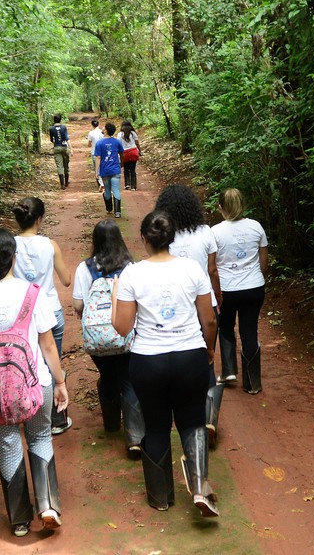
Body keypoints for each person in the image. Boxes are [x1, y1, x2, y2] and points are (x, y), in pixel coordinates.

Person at [0, 228, 70, 537]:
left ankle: (20, 520)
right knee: (39, 438)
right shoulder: (31, 293)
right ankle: (48, 505)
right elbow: (48, 345)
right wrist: (60, 382)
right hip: (36, 383)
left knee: (7, 445)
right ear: (12, 258)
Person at [113, 211, 219, 517]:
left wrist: (117, 292)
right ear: (172, 239)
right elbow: (209, 318)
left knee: (156, 426)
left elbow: (122, 327)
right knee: (192, 422)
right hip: (190, 356)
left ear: (144, 240)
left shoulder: (133, 274)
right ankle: (199, 489)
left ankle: (160, 496)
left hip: (148, 361)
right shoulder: (192, 269)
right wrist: (208, 350)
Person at [155, 184, 223, 447]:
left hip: (177, 304)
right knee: (207, 359)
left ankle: (181, 409)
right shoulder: (206, 233)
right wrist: (219, 295)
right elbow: (212, 269)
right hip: (206, 303)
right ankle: (208, 418)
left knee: (180, 352)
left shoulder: (163, 235)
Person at [71, 220, 144, 456]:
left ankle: (112, 424)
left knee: (107, 376)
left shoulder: (85, 268)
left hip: (98, 340)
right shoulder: (130, 267)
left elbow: (78, 303)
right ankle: (134, 437)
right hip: (125, 336)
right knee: (128, 379)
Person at [12, 197, 74, 432]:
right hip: (50, 310)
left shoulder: (10, 245)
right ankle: (56, 419)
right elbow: (67, 281)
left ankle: (29, 412)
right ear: (39, 219)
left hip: (22, 314)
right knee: (51, 362)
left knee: (26, 362)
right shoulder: (50, 245)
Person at [212, 189, 270, 394]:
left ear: (221, 207)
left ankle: (229, 371)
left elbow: (213, 267)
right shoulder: (256, 227)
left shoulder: (216, 232)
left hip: (228, 290)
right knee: (249, 330)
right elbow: (264, 261)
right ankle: (253, 383)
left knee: (226, 326)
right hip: (254, 287)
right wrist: (256, 278)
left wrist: (216, 291)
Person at [93, 123, 125, 218]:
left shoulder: (99, 143)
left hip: (105, 170)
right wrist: (122, 163)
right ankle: (117, 211)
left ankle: (109, 208)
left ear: (106, 130)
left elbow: (98, 158)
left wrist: (96, 171)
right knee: (116, 189)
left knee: (107, 189)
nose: (102, 128)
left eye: (104, 127)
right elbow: (122, 154)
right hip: (115, 169)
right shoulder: (117, 142)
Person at [48, 114, 71, 189]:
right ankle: (67, 182)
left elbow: (51, 139)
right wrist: (71, 148)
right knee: (66, 165)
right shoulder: (64, 127)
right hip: (64, 147)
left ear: (54, 120)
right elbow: (67, 138)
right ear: (60, 120)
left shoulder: (51, 128)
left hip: (57, 147)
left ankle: (62, 184)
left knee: (59, 166)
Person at [118, 120, 141, 191]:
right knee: (132, 169)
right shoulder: (133, 133)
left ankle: (127, 184)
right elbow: (137, 143)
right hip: (133, 152)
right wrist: (140, 151)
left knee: (126, 169)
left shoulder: (120, 134)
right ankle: (133, 186)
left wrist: (118, 153)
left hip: (124, 153)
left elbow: (118, 144)